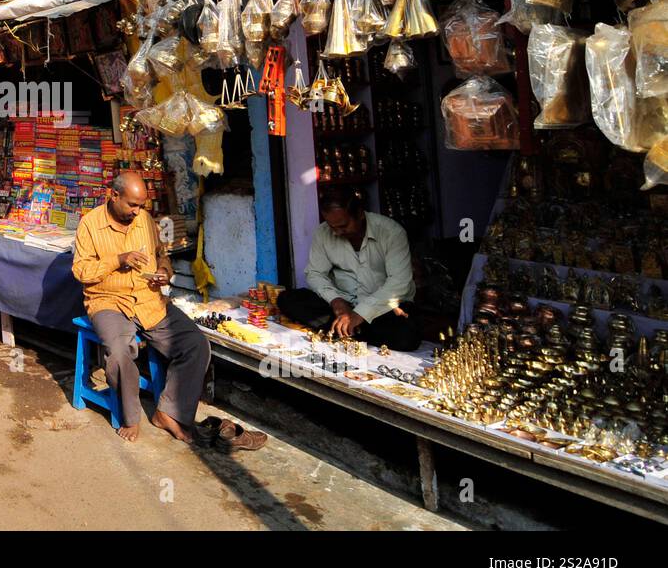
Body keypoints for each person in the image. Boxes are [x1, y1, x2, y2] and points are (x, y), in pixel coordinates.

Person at [72, 173, 260, 449]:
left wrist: (163, 271)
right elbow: (81, 271)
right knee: (120, 352)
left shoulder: (144, 220)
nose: (137, 211)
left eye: (140, 205)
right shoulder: (90, 224)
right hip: (109, 301)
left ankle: (168, 412)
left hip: (148, 299)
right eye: (132, 205)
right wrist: (118, 260)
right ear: (113, 195)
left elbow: (161, 254)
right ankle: (130, 416)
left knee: (196, 344)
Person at [278, 187, 421, 351]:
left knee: (407, 337)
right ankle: (351, 328)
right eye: (332, 227)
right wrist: (337, 302)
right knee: (288, 299)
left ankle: (349, 329)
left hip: (382, 309)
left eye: (343, 226)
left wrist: (359, 314)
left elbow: (399, 283)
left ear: (360, 214)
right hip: (344, 304)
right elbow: (315, 273)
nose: (337, 232)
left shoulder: (391, 233)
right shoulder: (323, 233)